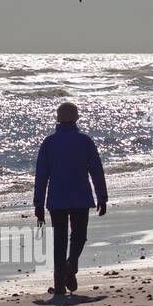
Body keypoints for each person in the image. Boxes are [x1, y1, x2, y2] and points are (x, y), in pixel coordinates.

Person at [33, 102, 107, 296]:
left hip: (57, 199)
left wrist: (38, 203)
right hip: (80, 196)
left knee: (59, 241)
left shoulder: (49, 143)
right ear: (77, 118)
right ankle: (71, 264)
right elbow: (96, 171)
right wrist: (102, 197)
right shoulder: (85, 141)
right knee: (79, 235)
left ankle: (59, 285)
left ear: (57, 118)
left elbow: (41, 175)